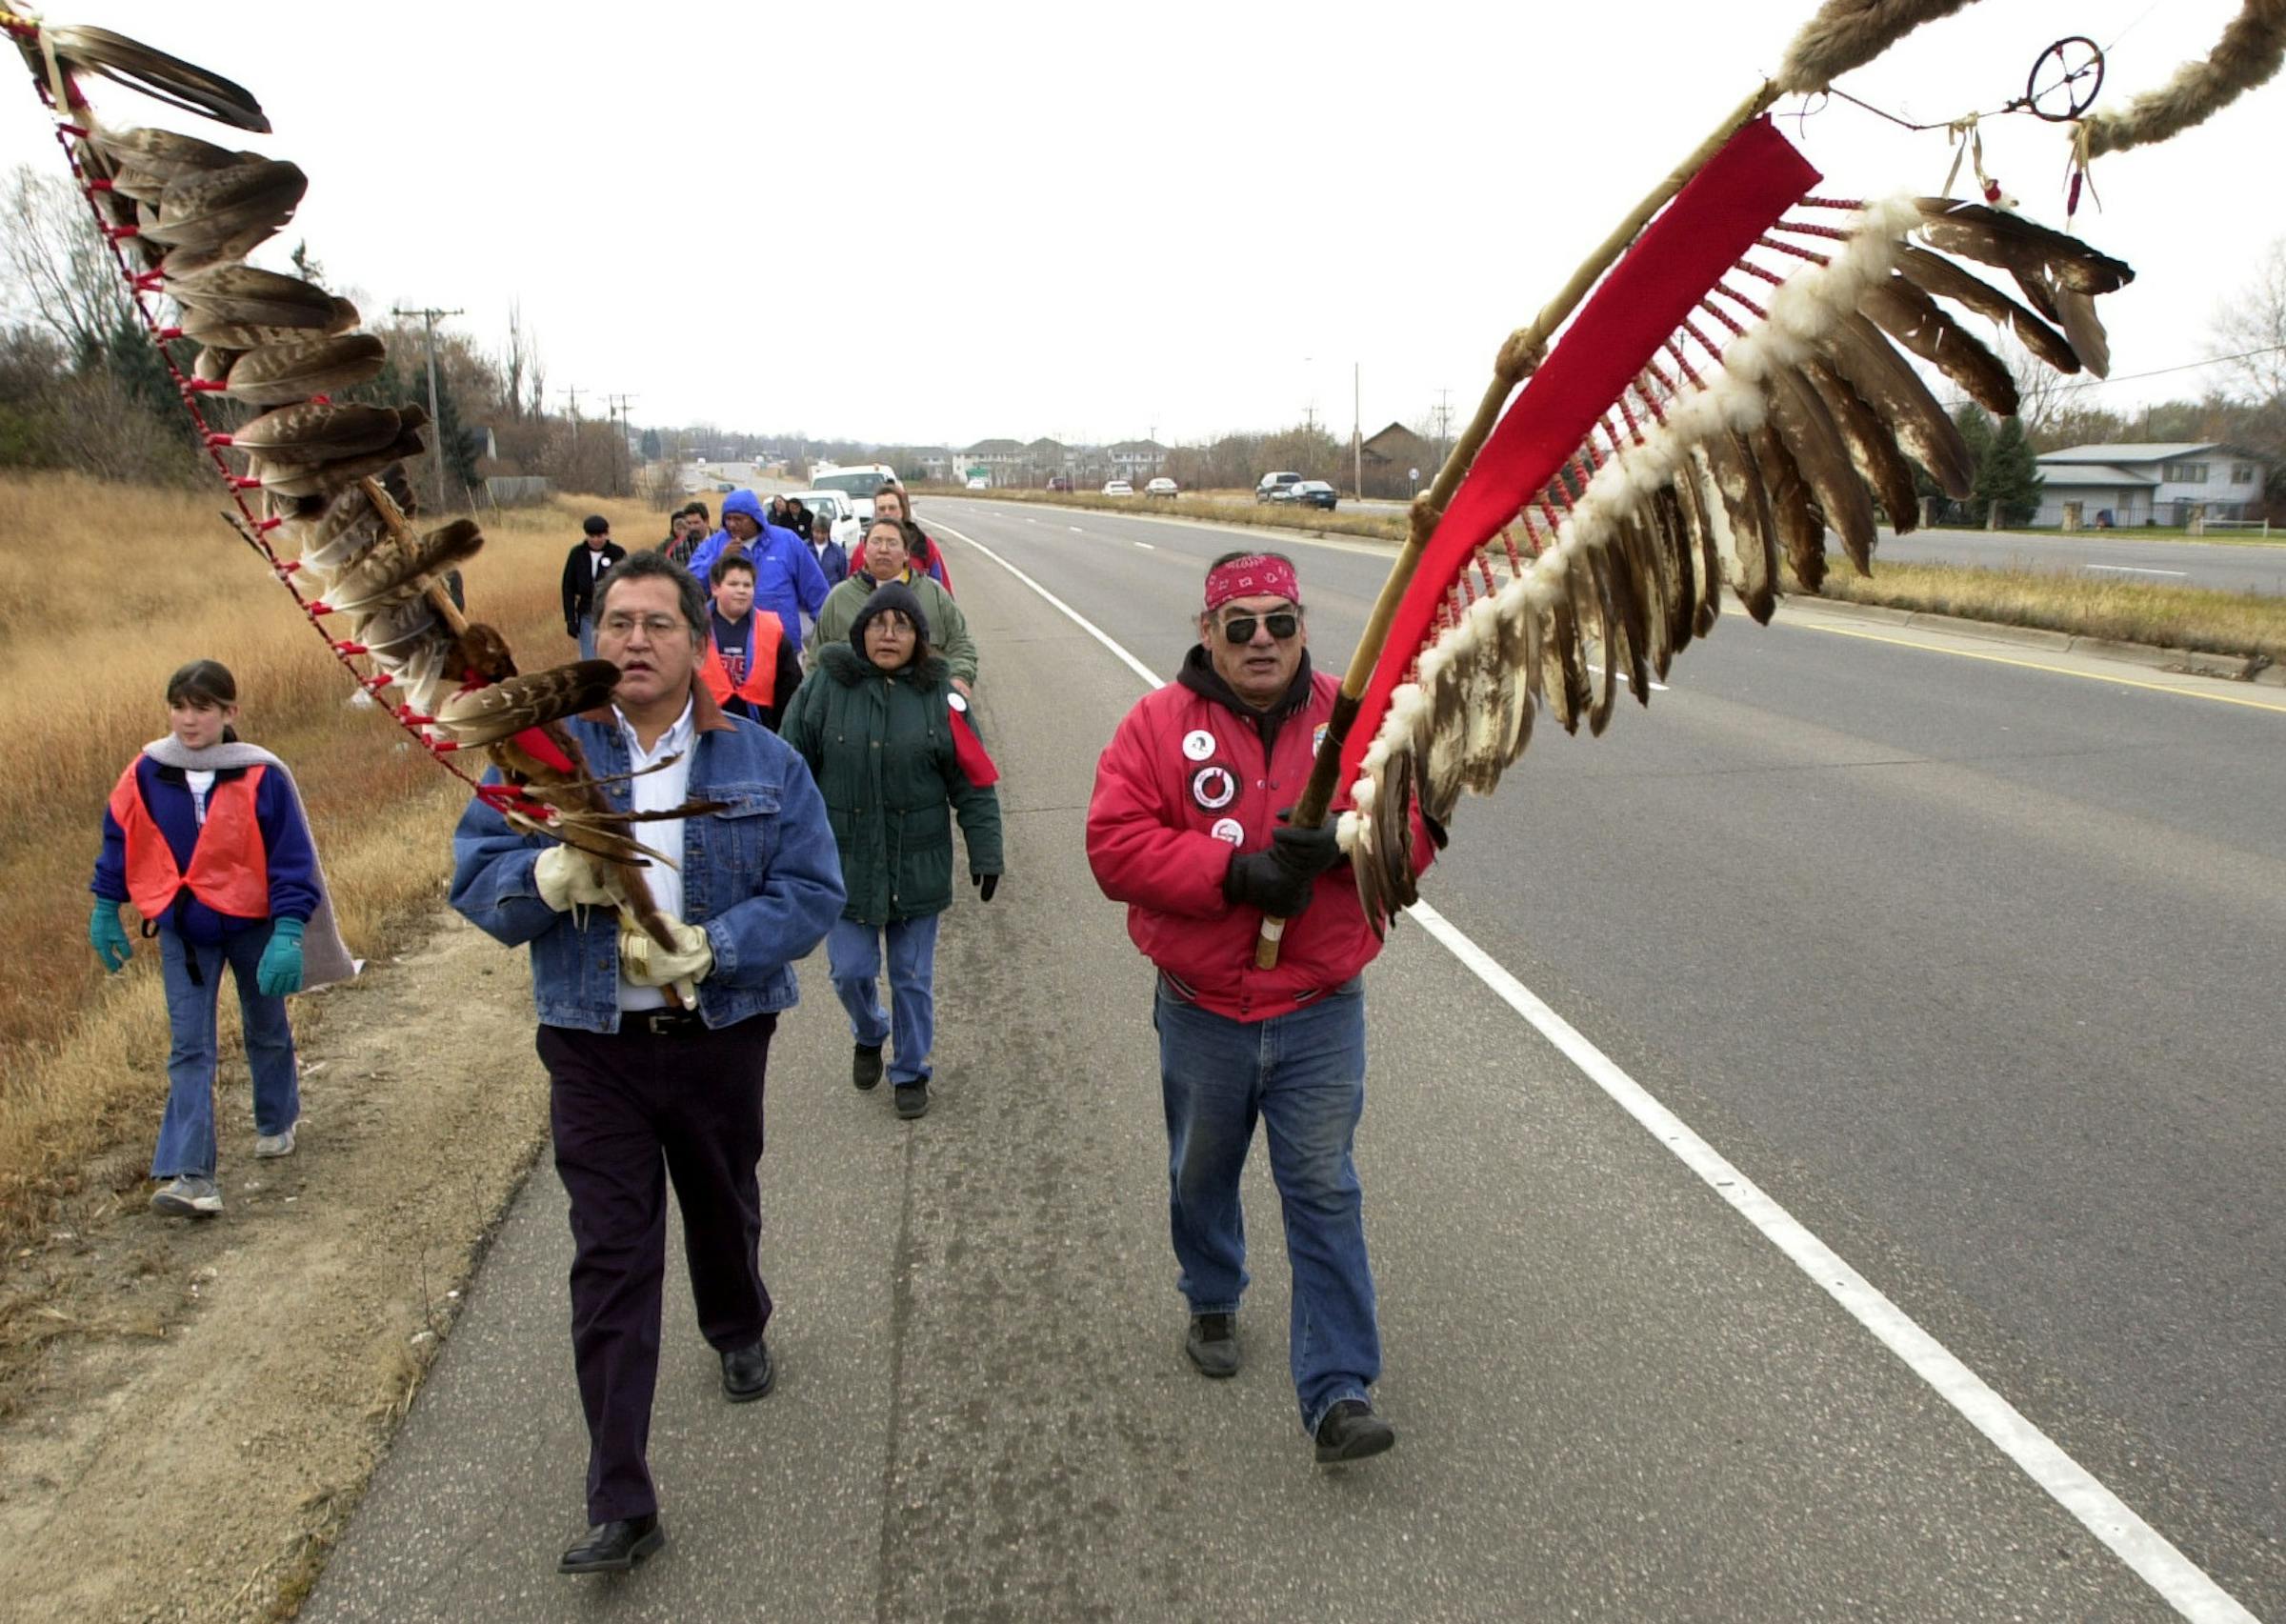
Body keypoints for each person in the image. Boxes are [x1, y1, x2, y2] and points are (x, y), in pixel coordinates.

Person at [451, 551, 844, 1576]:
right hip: (594, 1049)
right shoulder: (537, 755)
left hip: (720, 1037)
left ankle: (737, 1319)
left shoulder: (764, 761)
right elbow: (476, 878)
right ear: (592, 638)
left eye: (657, 623)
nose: (634, 640)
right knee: (611, 1259)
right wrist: (545, 873)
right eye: (616, 622)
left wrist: (716, 946)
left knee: (722, 1206)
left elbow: (813, 889)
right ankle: (620, 1496)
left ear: (698, 643)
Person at [1084, 551, 1432, 1467]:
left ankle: (1338, 1387)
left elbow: (1418, 823)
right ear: (1208, 634)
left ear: (1304, 626)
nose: (1263, 640)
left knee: (1323, 1185)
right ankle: (1211, 1288)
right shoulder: (1156, 724)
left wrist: (1351, 845)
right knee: (1202, 1171)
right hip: (1204, 1010)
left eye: (1280, 621)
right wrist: (1236, 873)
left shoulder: (1358, 719)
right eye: (1240, 626)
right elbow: (1114, 845)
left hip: (1319, 1005)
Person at [89, 659, 356, 1218]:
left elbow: (291, 858)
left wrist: (288, 931)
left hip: (253, 926)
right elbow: (120, 837)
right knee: (190, 1047)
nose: (189, 720)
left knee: (266, 1027)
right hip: (185, 932)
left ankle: (276, 1119)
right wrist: (106, 905)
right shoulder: (146, 771)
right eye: (179, 707)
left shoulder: (261, 774)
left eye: (202, 708)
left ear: (230, 712)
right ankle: (192, 1176)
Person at [778, 581, 1001, 1121]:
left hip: (917, 863)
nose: (889, 634)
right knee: (849, 971)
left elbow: (972, 781)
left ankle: (910, 1069)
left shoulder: (941, 695)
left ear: (919, 637)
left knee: (911, 977)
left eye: (902, 626)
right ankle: (869, 1029)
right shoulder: (826, 685)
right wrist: (778, 844)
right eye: (879, 623)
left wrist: (986, 851)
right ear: (861, 631)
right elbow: (788, 766)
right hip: (844, 863)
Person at [816, 517, 977, 695]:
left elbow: (961, 644)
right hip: (855, 705)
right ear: (864, 551)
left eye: (892, 543)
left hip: (922, 703)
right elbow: (816, 662)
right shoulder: (839, 599)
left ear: (906, 553)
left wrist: (960, 677)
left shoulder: (934, 594)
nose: (883, 549)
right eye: (876, 542)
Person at [687, 491, 828, 652]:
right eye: (728, 519)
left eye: (738, 519)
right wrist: (719, 560)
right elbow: (690, 588)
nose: (732, 524)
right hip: (729, 650)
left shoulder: (787, 542)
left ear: (755, 518)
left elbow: (815, 590)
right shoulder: (714, 546)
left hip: (781, 646)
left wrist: (827, 638)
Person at [700, 551, 803, 731]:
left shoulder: (772, 630)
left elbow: (790, 687)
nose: (741, 590)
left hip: (759, 727)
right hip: (705, 727)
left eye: (747, 585)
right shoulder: (694, 629)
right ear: (715, 588)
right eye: (733, 584)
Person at [852, 484, 952, 593]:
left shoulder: (923, 544)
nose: (887, 513)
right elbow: (852, 590)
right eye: (881, 509)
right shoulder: (863, 549)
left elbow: (941, 588)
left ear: (902, 510)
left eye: (892, 508)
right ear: (875, 513)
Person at [562, 514, 627, 660]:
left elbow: (627, 584)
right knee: (590, 660)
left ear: (606, 534)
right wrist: (570, 619)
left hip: (612, 613)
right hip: (587, 613)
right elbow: (568, 587)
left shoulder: (617, 553)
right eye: (592, 536)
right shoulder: (577, 554)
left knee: (612, 657)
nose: (596, 540)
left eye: (600, 536)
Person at [807, 511, 849, 596]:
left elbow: (843, 578)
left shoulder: (838, 552)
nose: (819, 536)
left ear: (828, 532)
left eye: (823, 533)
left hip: (831, 598)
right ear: (812, 530)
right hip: (808, 598)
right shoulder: (803, 549)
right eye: (817, 532)